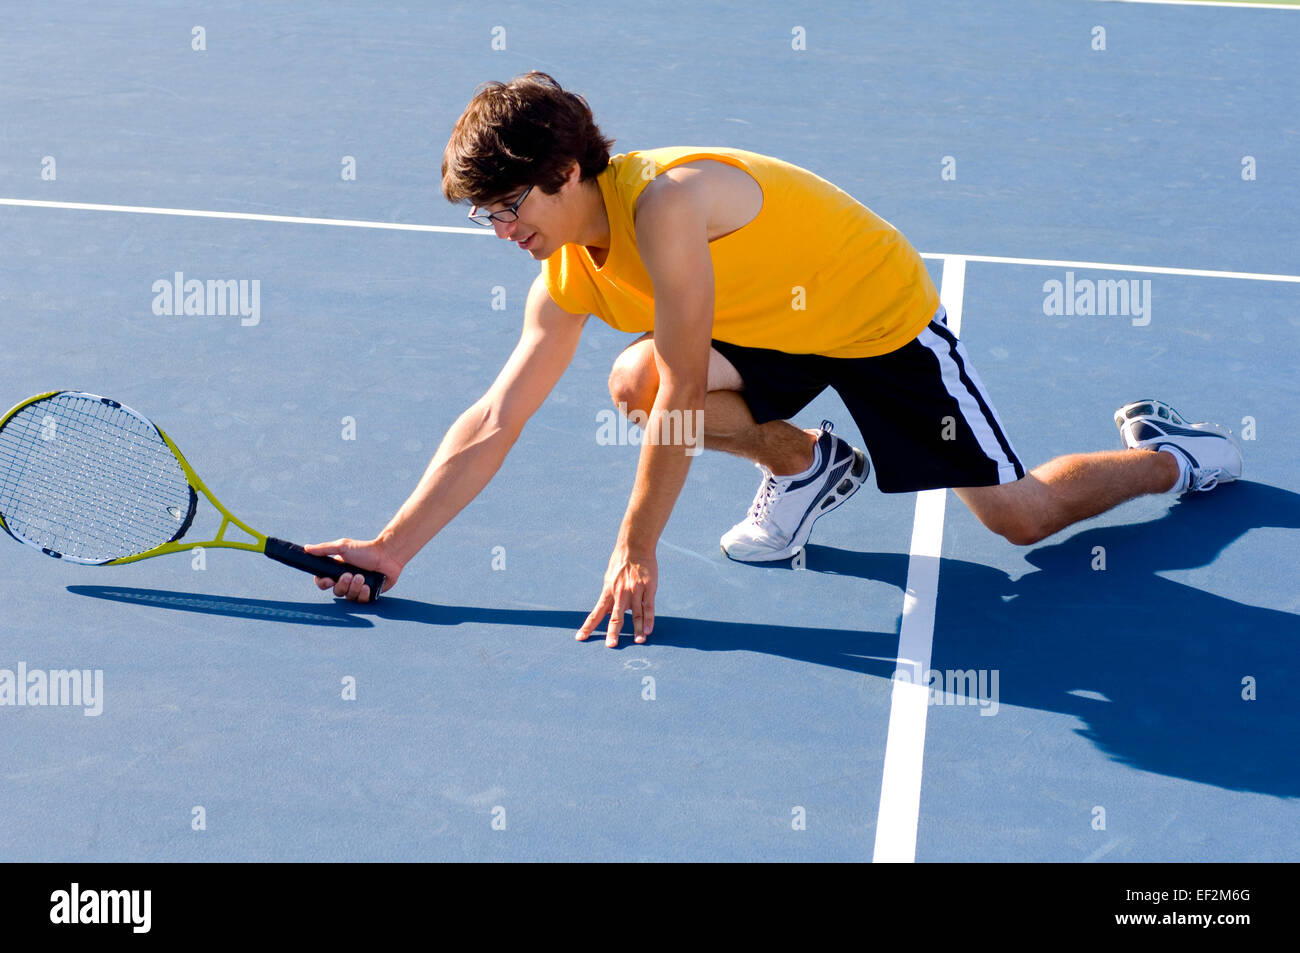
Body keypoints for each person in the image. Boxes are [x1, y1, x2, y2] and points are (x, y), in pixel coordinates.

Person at [305, 71, 1242, 647]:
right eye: (485, 214)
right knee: (625, 379)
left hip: (874, 316)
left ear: (564, 174)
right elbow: (498, 415)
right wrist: (393, 546)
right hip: (766, 325)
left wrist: (635, 550)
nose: (499, 229)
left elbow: (683, 388)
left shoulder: (664, 208)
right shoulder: (563, 271)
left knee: (1022, 520)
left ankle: (1171, 451)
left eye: (506, 206)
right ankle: (807, 463)